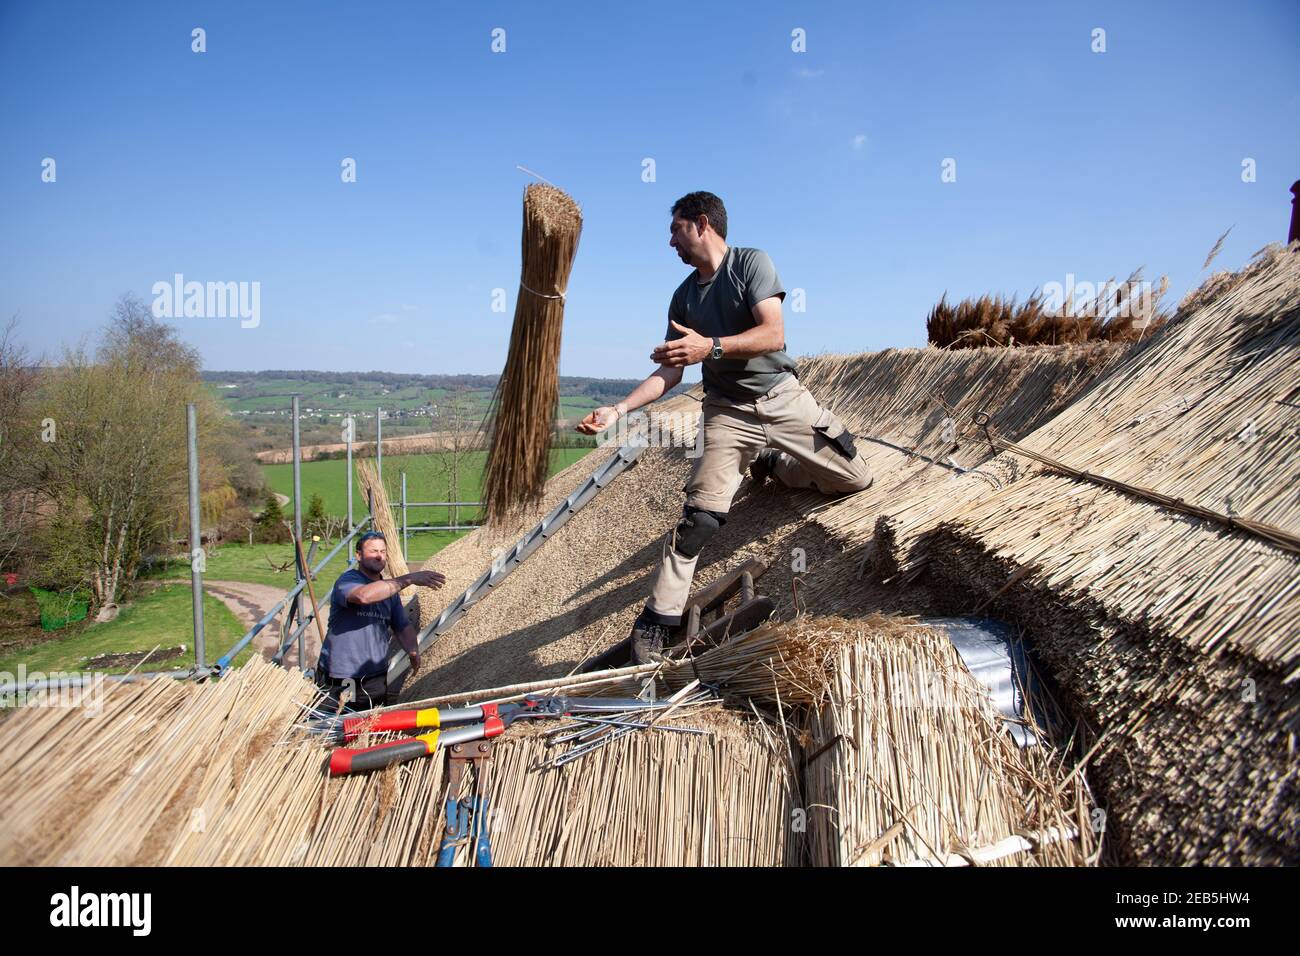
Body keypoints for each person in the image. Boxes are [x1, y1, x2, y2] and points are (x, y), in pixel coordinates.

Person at [577, 191, 873, 663]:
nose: (669, 241)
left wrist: (709, 348)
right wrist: (619, 409)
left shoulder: (751, 264)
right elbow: (671, 371)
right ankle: (657, 620)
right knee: (699, 520)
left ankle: (774, 464)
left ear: (701, 224)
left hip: (782, 398)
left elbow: (773, 334)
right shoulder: (683, 295)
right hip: (726, 411)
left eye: (675, 228)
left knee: (856, 479)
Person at [314, 530, 446, 711]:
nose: (379, 556)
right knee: (334, 726)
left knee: (369, 725)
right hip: (342, 674)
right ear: (358, 556)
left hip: (374, 676)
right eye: (373, 551)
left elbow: (401, 625)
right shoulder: (348, 580)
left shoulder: (390, 593)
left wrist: (413, 651)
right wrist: (408, 579)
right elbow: (363, 596)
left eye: (383, 552)